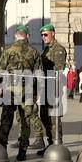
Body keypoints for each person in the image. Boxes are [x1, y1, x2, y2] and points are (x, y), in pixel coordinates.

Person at [0, 24, 42, 162]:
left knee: (6, 119)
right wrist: (37, 92)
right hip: (27, 90)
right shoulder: (34, 51)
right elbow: (39, 74)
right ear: (27, 36)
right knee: (25, 120)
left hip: (10, 90)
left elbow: (0, 70)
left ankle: (1, 147)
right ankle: (22, 151)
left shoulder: (8, 51)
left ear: (16, 36)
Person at [30, 24, 67, 155]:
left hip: (53, 88)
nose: (43, 37)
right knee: (44, 116)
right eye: (42, 35)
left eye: (45, 34)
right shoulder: (46, 50)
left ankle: (58, 144)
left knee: (54, 117)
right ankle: (51, 143)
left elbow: (58, 70)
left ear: (53, 34)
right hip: (45, 88)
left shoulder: (58, 49)